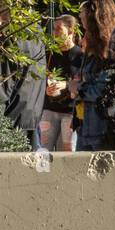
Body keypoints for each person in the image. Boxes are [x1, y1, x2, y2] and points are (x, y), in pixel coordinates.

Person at [0, 11, 48, 151]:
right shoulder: (37, 36)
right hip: (32, 114)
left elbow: (1, 89)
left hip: (11, 120)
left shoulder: (9, 41)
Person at [75, 0, 115, 151]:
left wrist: (78, 89)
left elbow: (103, 90)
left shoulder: (111, 48)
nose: (80, 17)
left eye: (83, 14)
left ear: (95, 16)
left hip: (101, 130)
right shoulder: (92, 46)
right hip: (85, 127)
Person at [39, 15, 83, 152]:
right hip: (49, 108)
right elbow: (42, 77)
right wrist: (46, 88)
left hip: (70, 111)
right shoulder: (49, 53)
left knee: (68, 151)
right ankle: (42, 174)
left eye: (59, 29)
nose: (55, 33)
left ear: (71, 31)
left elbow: (84, 81)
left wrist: (65, 84)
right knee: (43, 150)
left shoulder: (80, 55)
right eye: (54, 29)